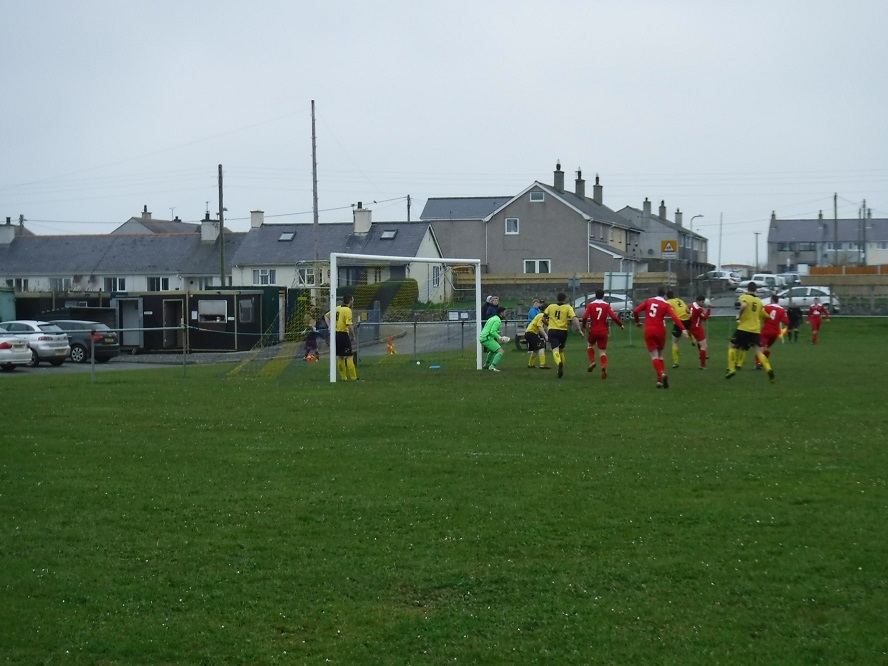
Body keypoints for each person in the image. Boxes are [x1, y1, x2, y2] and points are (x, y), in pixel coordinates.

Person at [633, 286, 688, 388]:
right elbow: (674, 317)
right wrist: (683, 329)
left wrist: (637, 322)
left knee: (654, 356)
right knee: (660, 355)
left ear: (656, 292)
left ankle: (661, 374)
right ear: (665, 295)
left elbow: (636, 311)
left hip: (649, 330)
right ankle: (659, 381)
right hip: (660, 330)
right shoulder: (665, 304)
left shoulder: (649, 301)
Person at [726, 282, 774, 383]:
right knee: (758, 352)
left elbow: (743, 305)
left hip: (743, 328)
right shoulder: (759, 301)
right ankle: (768, 369)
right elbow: (764, 314)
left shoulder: (744, 297)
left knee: (732, 346)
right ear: (756, 290)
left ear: (747, 289)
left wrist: (739, 315)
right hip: (755, 330)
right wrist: (771, 317)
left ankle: (731, 369)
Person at [580, 288, 625, 380]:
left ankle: (592, 361)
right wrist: (621, 325)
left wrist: (584, 327)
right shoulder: (606, 306)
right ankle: (604, 366)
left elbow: (584, 317)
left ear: (595, 295)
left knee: (590, 345)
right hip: (603, 331)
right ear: (603, 296)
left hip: (593, 330)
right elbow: (614, 317)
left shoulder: (590, 305)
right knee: (602, 352)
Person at [544, 292, 583, 379]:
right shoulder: (568, 307)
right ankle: (561, 366)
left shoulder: (550, 307)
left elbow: (543, 318)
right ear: (565, 299)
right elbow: (574, 318)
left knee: (555, 349)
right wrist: (579, 330)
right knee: (561, 350)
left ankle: (559, 363)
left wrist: (548, 324)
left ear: (557, 299)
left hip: (552, 330)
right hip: (563, 331)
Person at [324, 294, 358, 381]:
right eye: (353, 300)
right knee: (349, 356)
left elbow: (326, 316)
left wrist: (330, 327)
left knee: (341, 356)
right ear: (350, 301)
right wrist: (353, 336)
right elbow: (349, 325)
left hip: (336, 335)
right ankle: (354, 378)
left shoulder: (337, 308)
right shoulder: (347, 310)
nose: (353, 302)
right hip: (343, 335)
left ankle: (344, 378)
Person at [757, 294, 790, 368]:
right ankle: (763, 363)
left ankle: (759, 363)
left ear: (772, 300)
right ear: (778, 301)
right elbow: (787, 322)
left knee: (761, 347)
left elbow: (760, 315)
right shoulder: (782, 310)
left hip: (766, 330)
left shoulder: (767, 307)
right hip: (775, 332)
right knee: (768, 348)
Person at [666, 290, 692, 369]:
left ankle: (676, 362)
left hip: (679, 321)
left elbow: (668, 310)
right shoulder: (680, 300)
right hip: (687, 319)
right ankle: (692, 339)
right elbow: (687, 310)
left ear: (666, 296)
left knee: (674, 342)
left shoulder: (668, 302)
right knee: (689, 330)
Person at [479, 305, 508, 371]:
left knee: (492, 351)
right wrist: (501, 338)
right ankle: (492, 366)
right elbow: (492, 332)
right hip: (487, 338)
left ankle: (486, 365)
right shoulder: (497, 320)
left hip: (484, 337)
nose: (505, 314)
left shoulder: (493, 318)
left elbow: (489, 329)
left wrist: (498, 332)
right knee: (500, 351)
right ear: (501, 313)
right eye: (505, 312)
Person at [687, 295, 712, 369]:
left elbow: (687, 309)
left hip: (692, 327)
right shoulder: (698, 309)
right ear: (698, 301)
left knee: (701, 345)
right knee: (704, 346)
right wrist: (709, 309)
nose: (703, 303)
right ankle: (702, 365)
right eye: (702, 302)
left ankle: (702, 357)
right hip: (698, 328)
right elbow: (705, 317)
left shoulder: (692, 305)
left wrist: (691, 315)